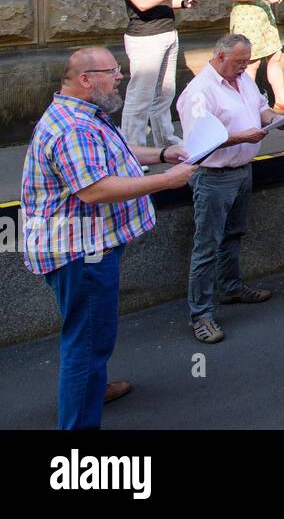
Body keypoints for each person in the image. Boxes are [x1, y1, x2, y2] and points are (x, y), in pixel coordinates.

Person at [21, 47, 197, 429]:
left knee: (88, 337)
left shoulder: (81, 114)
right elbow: (95, 188)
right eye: (113, 71)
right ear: (86, 79)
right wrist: (167, 182)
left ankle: (92, 386)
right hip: (80, 253)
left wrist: (163, 154)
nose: (121, 77)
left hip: (82, 247)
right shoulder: (74, 128)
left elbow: (115, 149)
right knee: (86, 345)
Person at [176, 33, 281, 343]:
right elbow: (197, 141)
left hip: (242, 170)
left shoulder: (243, 78)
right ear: (219, 57)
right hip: (214, 176)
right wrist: (239, 137)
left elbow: (261, 106)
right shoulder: (199, 91)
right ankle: (201, 314)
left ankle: (232, 288)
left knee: (233, 235)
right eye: (238, 62)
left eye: (246, 62)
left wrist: (274, 118)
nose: (243, 68)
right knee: (207, 246)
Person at [115, 0, 207, 151]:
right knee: (140, 97)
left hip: (168, 32)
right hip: (145, 37)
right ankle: (133, 149)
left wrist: (184, 3)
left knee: (165, 94)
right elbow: (142, 2)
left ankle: (165, 140)